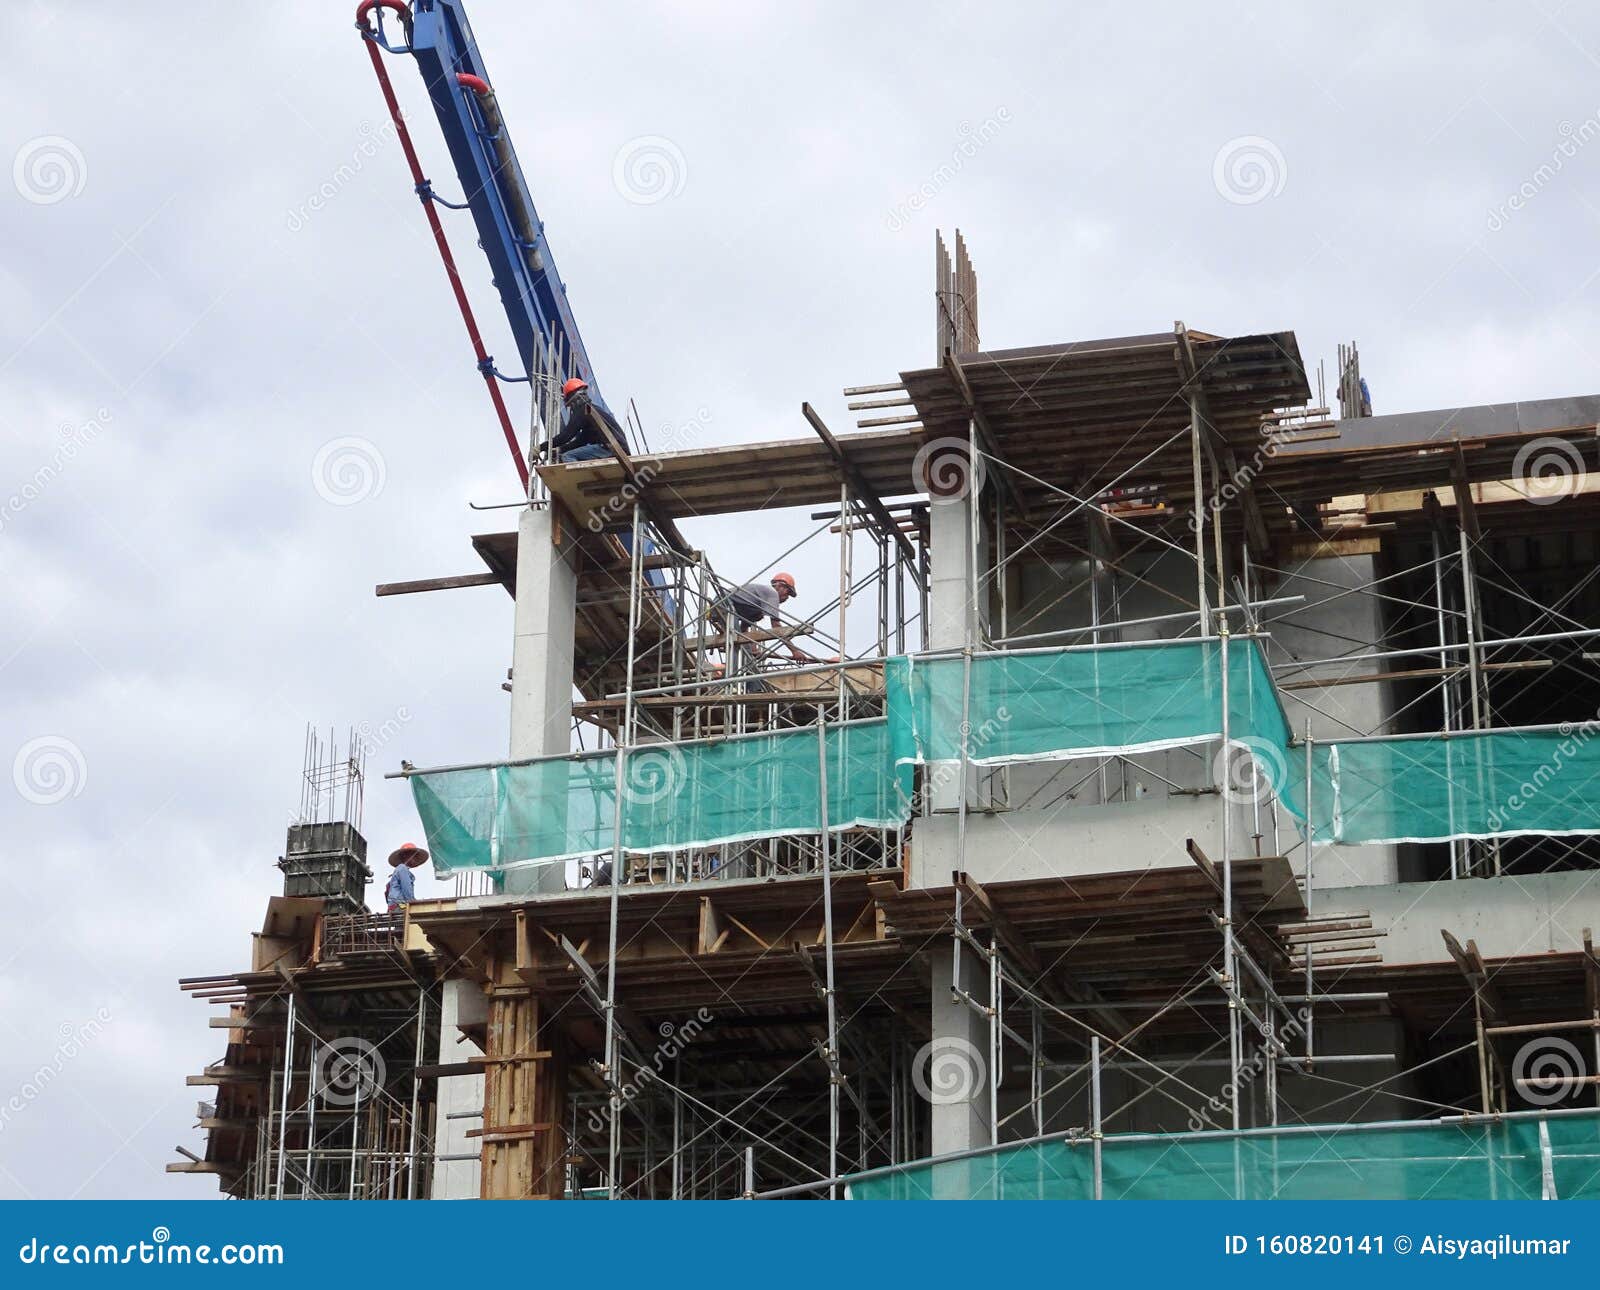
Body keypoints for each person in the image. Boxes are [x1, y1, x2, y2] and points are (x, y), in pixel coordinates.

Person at [728, 572, 806, 663]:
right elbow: (776, 627)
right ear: (779, 586)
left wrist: (753, 649)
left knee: (757, 615)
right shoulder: (772, 593)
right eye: (788, 592)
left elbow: (744, 629)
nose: (787, 597)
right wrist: (795, 651)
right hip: (725, 603)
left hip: (727, 604)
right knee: (732, 639)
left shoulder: (757, 600)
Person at [542, 377, 622, 463]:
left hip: (610, 448)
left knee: (567, 456)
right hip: (619, 448)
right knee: (570, 455)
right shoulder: (591, 413)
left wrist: (541, 447)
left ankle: (581, 476)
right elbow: (580, 441)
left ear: (573, 399)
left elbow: (566, 436)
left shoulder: (582, 409)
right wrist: (560, 450)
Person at [385, 842, 429, 912]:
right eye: (414, 856)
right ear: (405, 856)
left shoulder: (401, 869)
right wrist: (414, 903)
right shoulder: (402, 868)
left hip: (396, 905)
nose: (415, 859)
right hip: (399, 906)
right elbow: (407, 889)